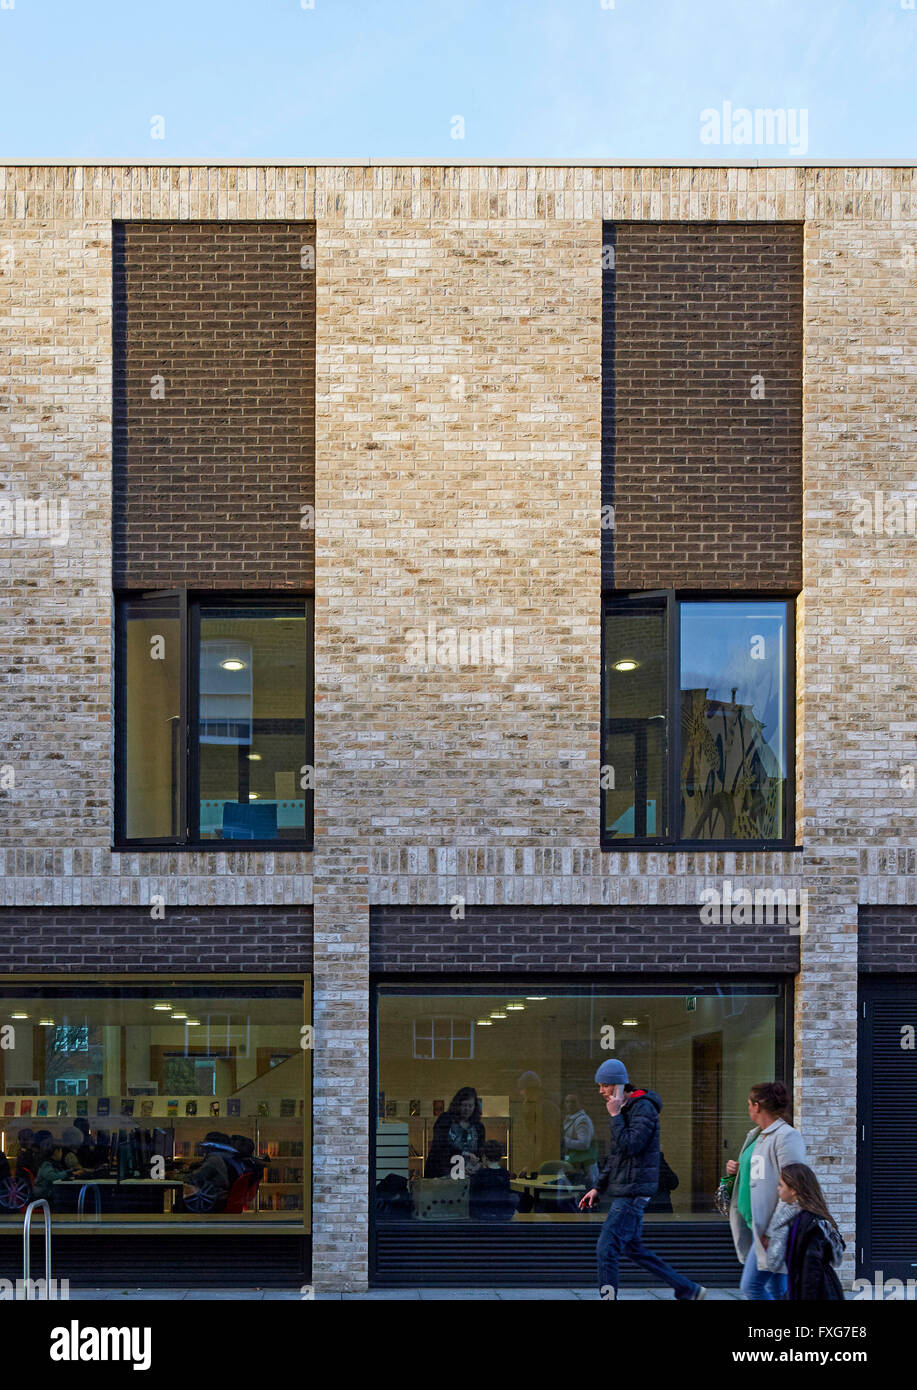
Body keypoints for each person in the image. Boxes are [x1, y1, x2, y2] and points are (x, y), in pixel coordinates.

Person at [579, 1059, 706, 1301]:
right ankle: (688, 1289)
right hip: (627, 1188)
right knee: (634, 1249)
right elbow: (617, 1155)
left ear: (618, 1085)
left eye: (605, 1085)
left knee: (606, 1248)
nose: (601, 1091)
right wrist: (598, 1187)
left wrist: (615, 1116)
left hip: (633, 1192)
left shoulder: (643, 1108)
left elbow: (632, 1145)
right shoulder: (625, 1109)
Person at [725, 1081, 806, 1300]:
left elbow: (795, 1187)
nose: (748, 1108)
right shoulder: (758, 1135)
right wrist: (737, 1169)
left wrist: (773, 1231)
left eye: (749, 1104)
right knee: (776, 1289)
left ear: (756, 1106)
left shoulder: (786, 1137)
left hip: (771, 1229)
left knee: (752, 1287)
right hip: (756, 1225)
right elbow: (761, 1171)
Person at [764, 1163, 845, 1301]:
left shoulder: (806, 1222)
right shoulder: (793, 1218)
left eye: (781, 1185)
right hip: (804, 1288)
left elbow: (811, 1270)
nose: (777, 1189)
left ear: (794, 1190)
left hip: (815, 1292)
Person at [424, 1088, 485, 1178]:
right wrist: (463, 1153)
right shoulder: (445, 1119)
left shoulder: (479, 1126)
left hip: (467, 1175)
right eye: (464, 1105)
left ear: (475, 1107)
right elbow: (440, 1146)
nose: (467, 1109)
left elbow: (480, 1152)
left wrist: (475, 1165)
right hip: (442, 1173)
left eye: (470, 1106)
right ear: (457, 1105)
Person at [513, 1072, 562, 1174]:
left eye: (523, 1090)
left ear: (530, 1090)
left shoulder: (546, 1109)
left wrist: (532, 1166)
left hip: (547, 1166)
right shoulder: (540, 1106)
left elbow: (545, 1141)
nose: (521, 1093)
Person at [181, 1131, 234, 1211]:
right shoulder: (221, 1157)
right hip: (218, 1197)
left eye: (205, 1143)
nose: (202, 1146)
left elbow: (196, 1177)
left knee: (181, 1202)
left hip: (212, 1200)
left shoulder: (214, 1159)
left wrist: (174, 1176)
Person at [469, 1139, 519, 1222]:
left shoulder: (480, 1174)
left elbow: (473, 1198)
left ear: (484, 1157)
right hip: (502, 1214)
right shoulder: (505, 1174)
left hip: (483, 1214)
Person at [563, 1092, 598, 1184]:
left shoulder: (582, 1120)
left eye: (573, 1102)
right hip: (576, 1165)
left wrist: (563, 1141)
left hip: (584, 1167)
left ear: (580, 1103)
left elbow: (584, 1144)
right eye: (567, 1102)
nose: (570, 1105)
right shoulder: (570, 1118)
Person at [31, 1140, 72, 1205]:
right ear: (56, 1152)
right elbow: (52, 1177)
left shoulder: (54, 1164)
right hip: (44, 1196)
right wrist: (67, 1173)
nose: (62, 1153)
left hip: (49, 1194)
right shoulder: (46, 1164)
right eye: (61, 1151)